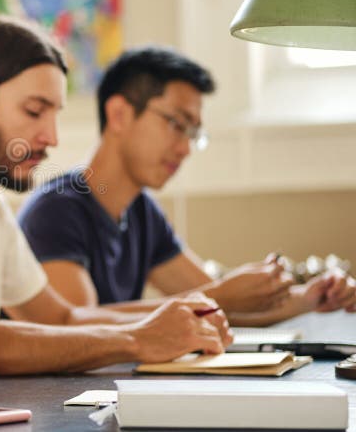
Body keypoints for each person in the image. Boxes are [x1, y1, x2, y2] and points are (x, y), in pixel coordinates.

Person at [0, 16, 232, 380]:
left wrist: (175, 320)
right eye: (33, 111)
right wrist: (136, 339)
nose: (51, 138)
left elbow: (61, 318)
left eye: (54, 114)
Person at [19, 46, 356, 326]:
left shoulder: (141, 210)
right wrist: (218, 296)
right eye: (176, 124)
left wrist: (311, 297)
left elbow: (221, 303)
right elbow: (78, 326)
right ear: (119, 113)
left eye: (193, 134)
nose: (185, 148)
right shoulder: (56, 211)